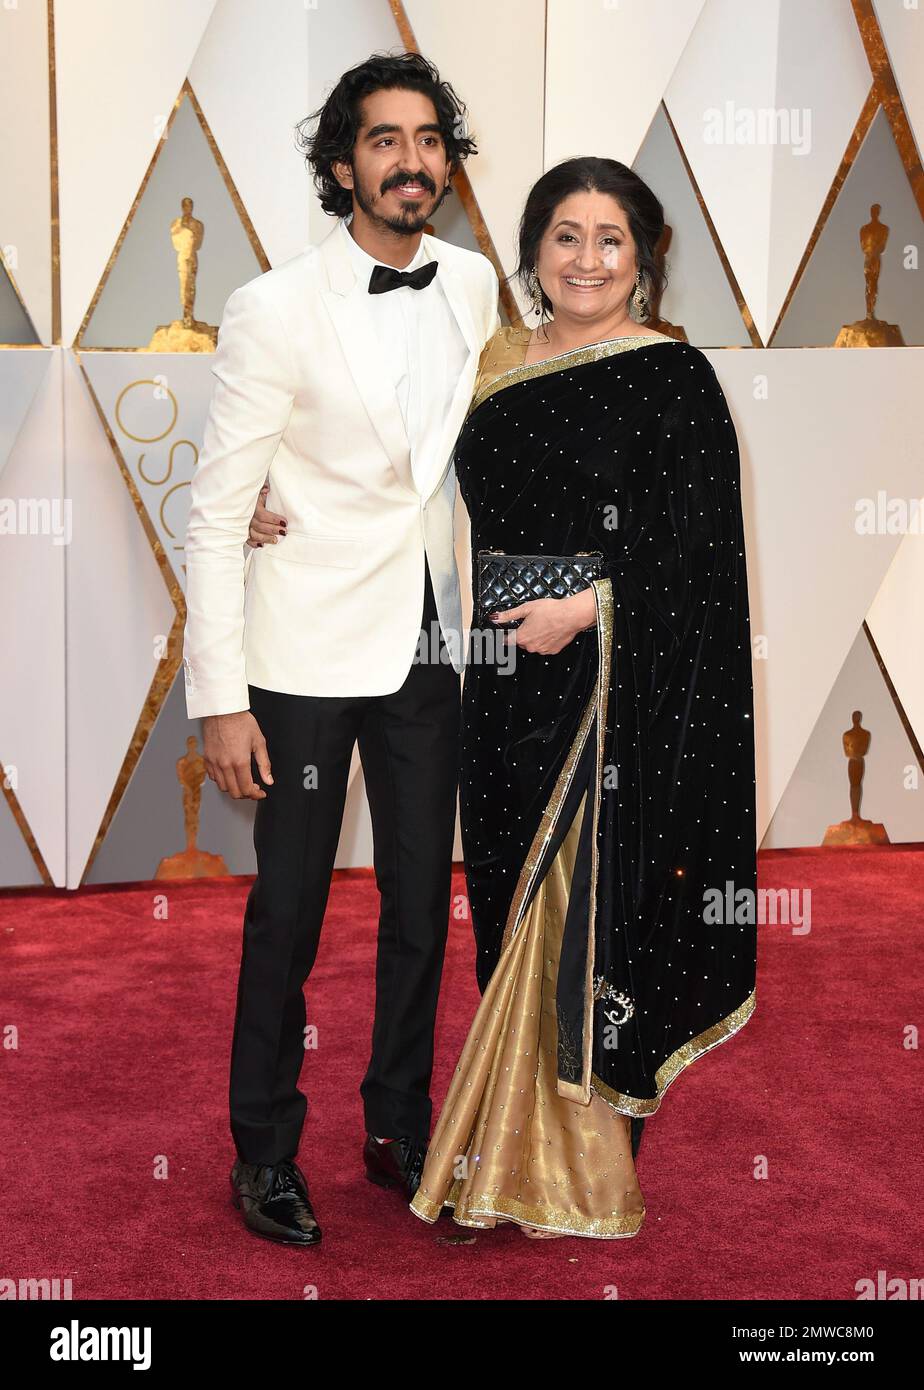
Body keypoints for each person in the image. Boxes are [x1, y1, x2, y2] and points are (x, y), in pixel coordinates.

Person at [251, 158, 758, 1241]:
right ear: (531, 254)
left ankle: (574, 1169)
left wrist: (592, 606)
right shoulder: (491, 354)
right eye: (565, 236)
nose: (586, 259)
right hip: (491, 679)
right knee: (502, 903)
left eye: (610, 240)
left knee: (578, 911)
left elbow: (703, 546)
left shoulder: (675, 376)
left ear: (644, 259)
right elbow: (395, 462)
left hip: (606, 683)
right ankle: (496, 1146)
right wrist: (266, 488)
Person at [182, 52, 499, 1247]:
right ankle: (263, 1150)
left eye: (428, 139)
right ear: (340, 165)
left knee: (424, 901)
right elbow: (217, 512)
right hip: (302, 651)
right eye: (384, 140)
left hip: (427, 640)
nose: (411, 160)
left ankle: (398, 1125)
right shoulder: (273, 306)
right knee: (293, 913)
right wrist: (220, 699)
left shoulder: (473, 289)